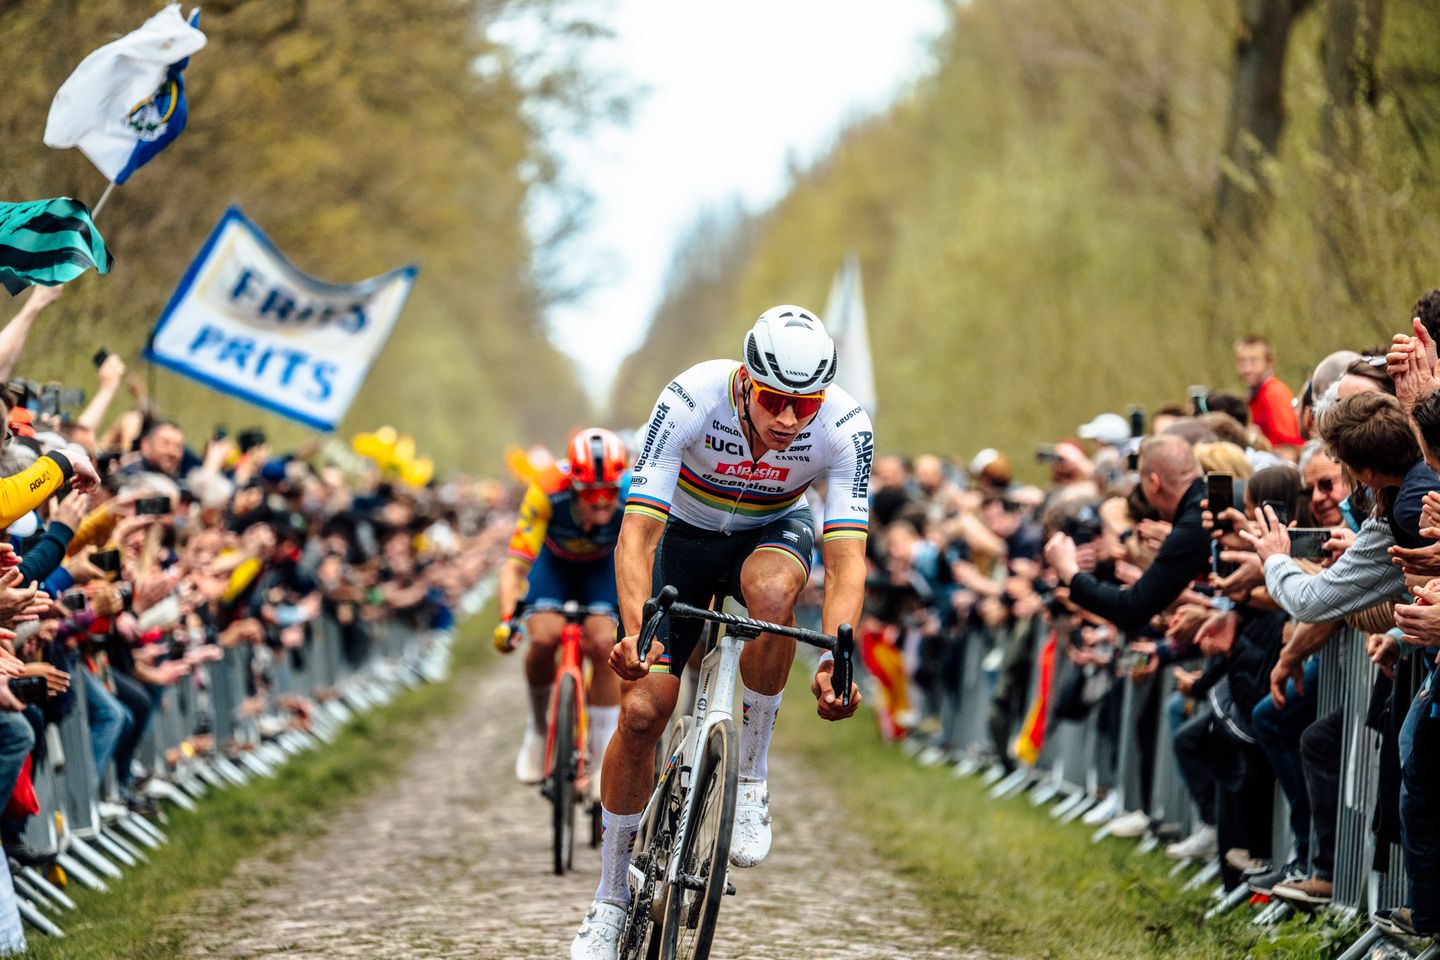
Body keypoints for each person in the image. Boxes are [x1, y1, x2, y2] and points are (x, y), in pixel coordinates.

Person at [569, 305, 870, 959]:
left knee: (770, 595)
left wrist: (840, 657)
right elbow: (638, 534)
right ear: (744, 381)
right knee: (644, 712)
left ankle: (753, 776)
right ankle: (610, 899)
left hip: (771, 532)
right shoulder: (691, 398)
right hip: (682, 536)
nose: (789, 420)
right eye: (774, 401)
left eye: (805, 405)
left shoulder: (845, 425)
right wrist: (634, 634)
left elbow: (847, 557)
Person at [494, 428, 629, 787]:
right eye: (591, 495)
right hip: (553, 567)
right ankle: (538, 730)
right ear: (573, 487)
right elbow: (514, 567)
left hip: (603, 569)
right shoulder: (545, 490)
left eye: (609, 493)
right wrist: (509, 619)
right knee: (543, 638)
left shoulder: (632, 493)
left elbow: (645, 558)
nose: (602, 503)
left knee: (603, 644)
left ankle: (602, 753)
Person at [1235, 335, 1303, 449]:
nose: (1247, 369)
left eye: (1253, 361)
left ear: (1269, 362)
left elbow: (1290, 443)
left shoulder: (1274, 393)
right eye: (1242, 362)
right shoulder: (1257, 394)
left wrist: (1254, 439)